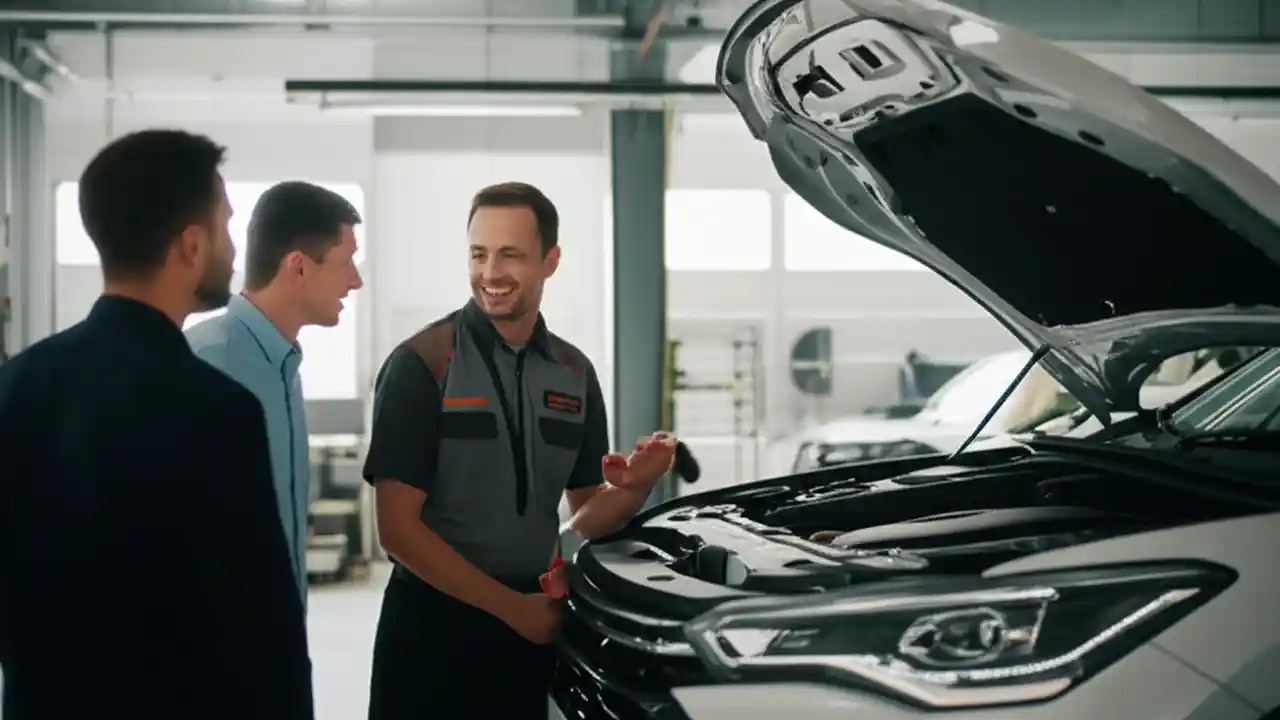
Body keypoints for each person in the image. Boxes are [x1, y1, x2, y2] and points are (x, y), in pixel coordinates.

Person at [0, 129, 313, 720]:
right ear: (191, 245)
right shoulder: (217, 409)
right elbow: (262, 634)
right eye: (224, 225)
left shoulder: (17, 386)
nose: (232, 248)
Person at [363, 181, 675, 720]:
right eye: (478, 254)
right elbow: (396, 530)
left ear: (550, 260)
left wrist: (637, 485)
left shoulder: (573, 373)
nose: (491, 272)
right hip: (431, 631)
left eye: (510, 255)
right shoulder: (421, 363)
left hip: (531, 628)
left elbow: (586, 516)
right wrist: (512, 610)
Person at [187, 180, 364, 603]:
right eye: (346, 261)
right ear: (298, 267)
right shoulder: (205, 363)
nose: (356, 280)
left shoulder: (284, 367)